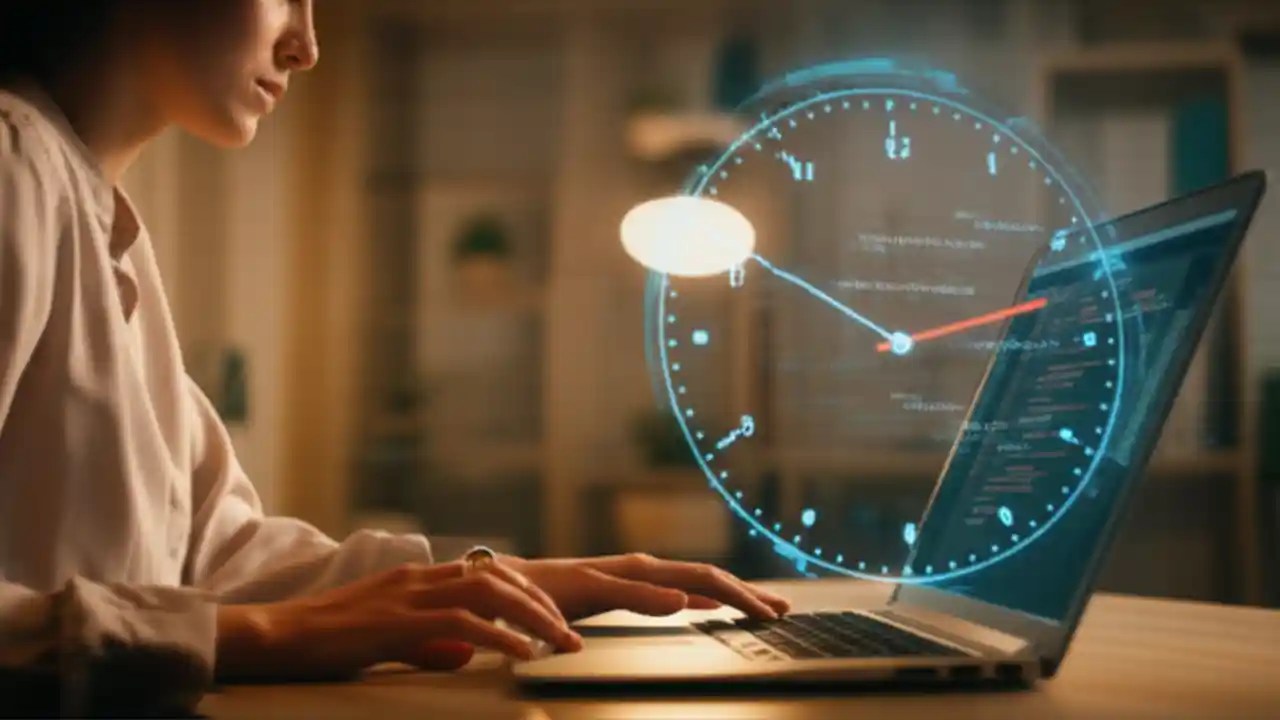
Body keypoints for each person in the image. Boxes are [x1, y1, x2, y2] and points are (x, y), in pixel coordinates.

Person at [0, 1, 790, 715]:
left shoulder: (103, 225)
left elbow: (217, 554)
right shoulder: (14, 161)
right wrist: (266, 635)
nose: (307, 45)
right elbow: (231, 607)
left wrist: (497, 580)